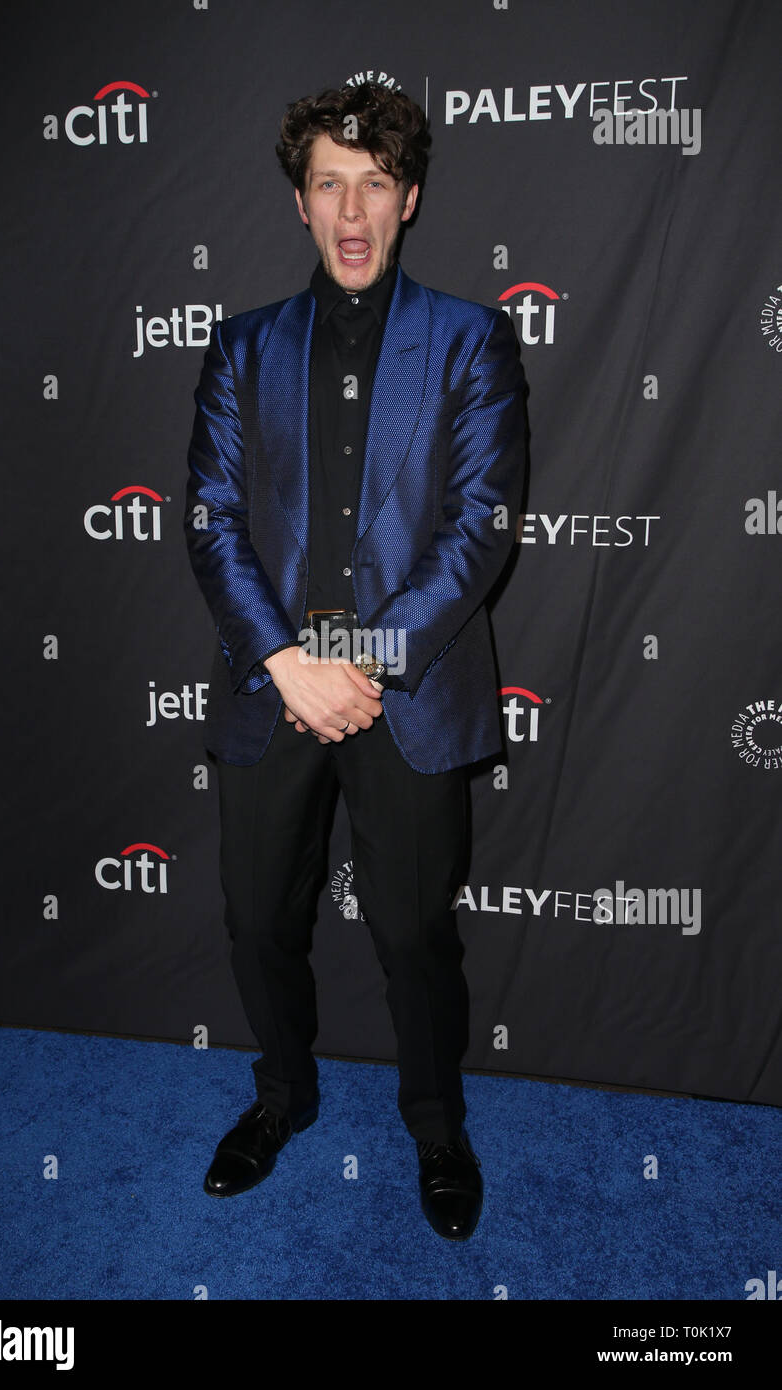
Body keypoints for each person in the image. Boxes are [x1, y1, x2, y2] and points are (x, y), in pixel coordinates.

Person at [184, 81, 528, 1241]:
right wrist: (289, 662)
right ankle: (281, 1097)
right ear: (299, 200)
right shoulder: (240, 348)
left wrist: (359, 666)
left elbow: (480, 522)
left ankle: (436, 1123)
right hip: (272, 685)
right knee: (256, 921)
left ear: (409, 198)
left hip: (405, 691)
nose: (351, 206)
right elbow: (209, 521)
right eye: (329, 180)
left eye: (374, 182)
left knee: (414, 934)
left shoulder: (473, 338)